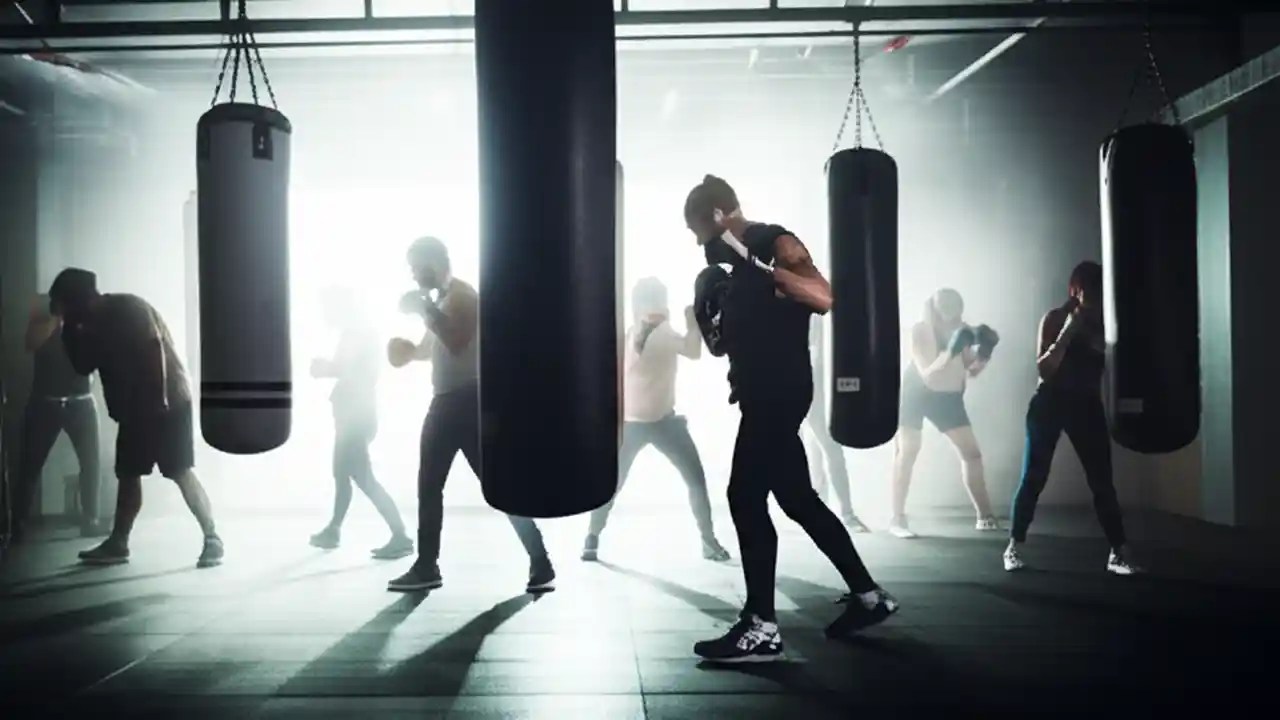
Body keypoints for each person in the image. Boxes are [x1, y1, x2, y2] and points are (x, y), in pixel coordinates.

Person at [683, 175, 897, 664]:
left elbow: (823, 298)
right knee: (797, 498)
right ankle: (869, 597)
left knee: (743, 495)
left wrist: (759, 268)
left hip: (781, 391)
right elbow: (720, 349)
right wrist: (707, 311)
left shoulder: (776, 241)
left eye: (701, 233)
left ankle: (761, 627)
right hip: (760, 393)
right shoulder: (729, 273)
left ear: (719, 216)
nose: (700, 246)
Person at [384, 236, 555, 594]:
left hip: (461, 403)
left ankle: (429, 565)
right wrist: (408, 352)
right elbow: (438, 348)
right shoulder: (445, 300)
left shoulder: (462, 296)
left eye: (417, 267)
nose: (414, 275)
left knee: (463, 485)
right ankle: (539, 560)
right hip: (454, 402)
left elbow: (458, 339)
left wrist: (422, 309)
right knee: (471, 484)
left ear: (434, 263)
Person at [48, 268, 223, 568]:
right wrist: (67, 329)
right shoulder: (87, 325)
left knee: (179, 470)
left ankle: (212, 537)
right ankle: (119, 542)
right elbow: (82, 366)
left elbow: (154, 348)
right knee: (129, 473)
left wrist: (159, 401)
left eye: (65, 304)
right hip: (135, 408)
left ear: (78, 300)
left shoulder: (128, 309)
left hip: (168, 401)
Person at [581, 277, 731, 563]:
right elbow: (693, 351)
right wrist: (691, 321)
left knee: (612, 484)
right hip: (653, 422)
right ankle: (709, 542)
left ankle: (591, 538)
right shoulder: (657, 331)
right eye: (658, 300)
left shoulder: (634, 332)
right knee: (694, 481)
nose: (661, 306)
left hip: (642, 422)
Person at [1004, 261, 1139, 575]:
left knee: (1102, 481)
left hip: (1086, 405)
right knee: (1034, 476)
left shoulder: (1107, 325)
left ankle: (1118, 552)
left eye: (1095, 291)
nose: (1089, 296)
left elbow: (1112, 369)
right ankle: (1013, 546)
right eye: (1085, 290)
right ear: (1073, 290)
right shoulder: (1054, 318)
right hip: (1049, 402)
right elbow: (1044, 369)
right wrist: (1068, 332)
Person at [308, 286, 413, 560]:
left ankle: (400, 535)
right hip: (354, 414)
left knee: (363, 478)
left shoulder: (357, 332)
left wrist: (323, 368)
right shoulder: (359, 331)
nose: (324, 315)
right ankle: (333, 530)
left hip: (355, 416)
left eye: (327, 309)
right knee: (343, 475)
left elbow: (348, 368)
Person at [889, 289, 1000, 538]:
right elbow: (928, 374)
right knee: (907, 451)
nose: (951, 320)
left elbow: (971, 371)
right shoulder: (921, 330)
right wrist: (950, 352)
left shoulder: (963, 330)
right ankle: (897, 518)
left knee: (972, 454)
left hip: (947, 398)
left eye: (955, 315)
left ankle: (985, 515)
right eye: (946, 315)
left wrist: (984, 354)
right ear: (935, 311)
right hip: (916, 394)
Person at [9, 294, 105, 543]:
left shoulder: (87, 317)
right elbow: (30, 343)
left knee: (90, 462)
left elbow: (95, 355)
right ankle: (17, 524)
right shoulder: (43, 309)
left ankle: (90, 519)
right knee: (30, 464)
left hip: (81, 401)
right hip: (46, 401)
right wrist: (56, 321)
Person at [803, 315, 868, 532]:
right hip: (808, 383)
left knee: (823, 447)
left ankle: (839, 512)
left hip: (820, 384)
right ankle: (842, 513)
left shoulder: (823, 313)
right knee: (823, 447)